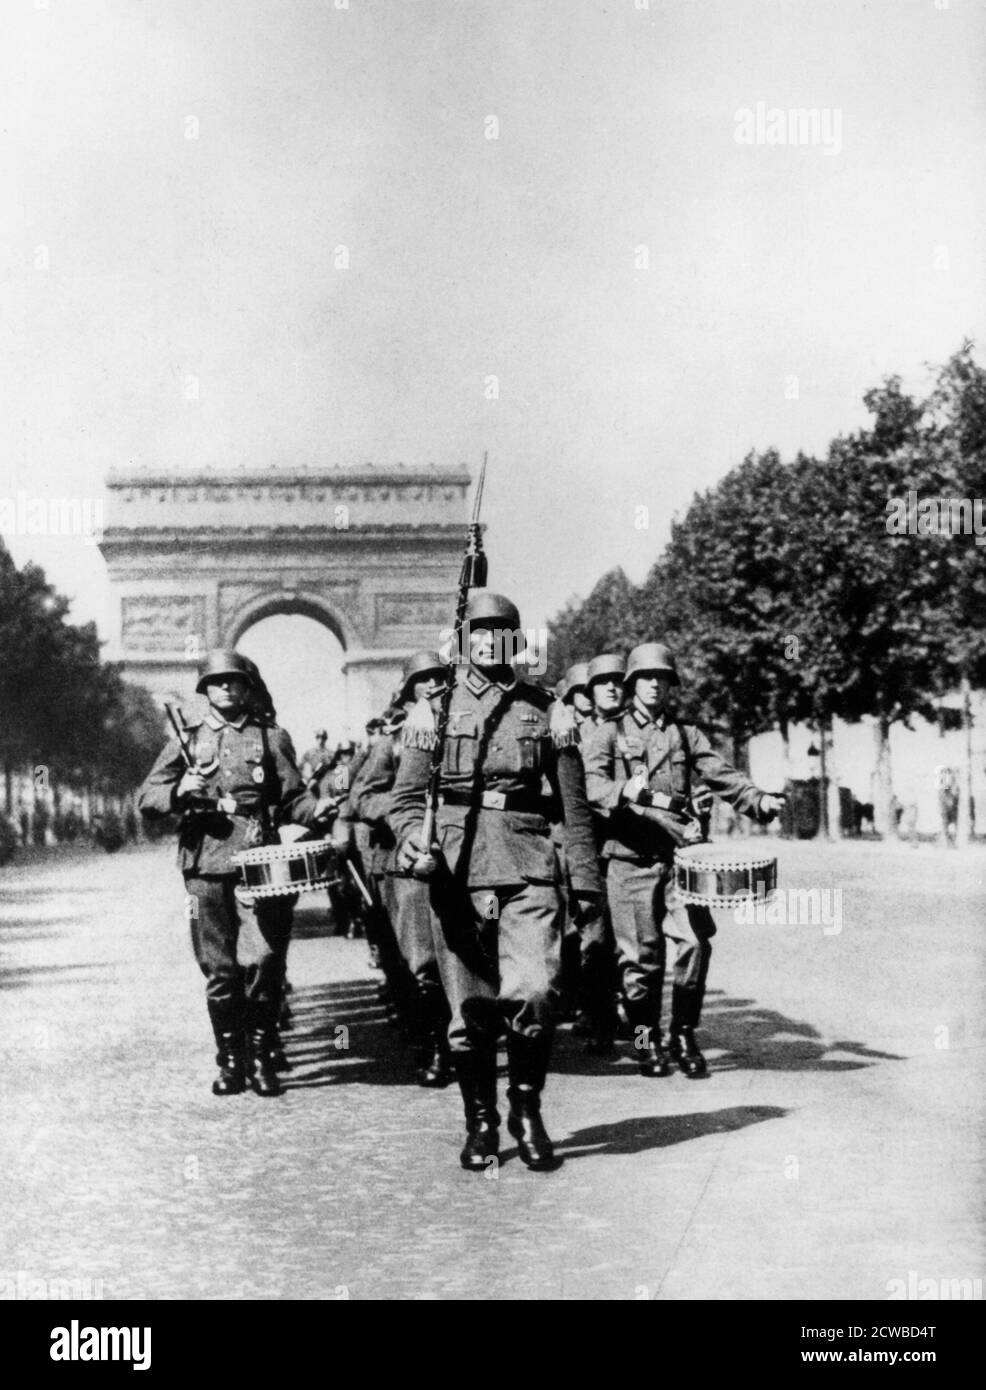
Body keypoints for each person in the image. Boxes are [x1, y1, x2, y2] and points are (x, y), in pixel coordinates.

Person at [389, 591, 602, 1171]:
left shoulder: (549, 709)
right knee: (472, 1012)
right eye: (476, 633)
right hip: (455, 871)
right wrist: (413, 841)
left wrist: (585, 887)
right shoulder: (429, 711)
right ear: (463, 641)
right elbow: (404, 801)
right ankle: (480, 1120)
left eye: (499, 633)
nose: (487, 642)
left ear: (515, 640)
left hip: (529, 865)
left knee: (535, 991)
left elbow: (575, 809)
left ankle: (526, 1108)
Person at [583, 642, 784, 1079]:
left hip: (681, 862)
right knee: (641, 960)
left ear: (671, 686)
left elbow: (721, 774)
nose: (655, 684)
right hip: (629, 861)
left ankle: (683, 1034)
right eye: (646, 677)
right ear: (632, 683)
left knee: (694, 945)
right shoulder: (609, 734)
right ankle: (644, 1041)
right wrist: (625, 793)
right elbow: (592, 785)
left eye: (663, 678)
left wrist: (758, 799)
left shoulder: (685, 734)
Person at [137, 650, 333, 1098]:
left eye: (234, 681)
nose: (226, 688)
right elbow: (146, 796)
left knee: (263, 960)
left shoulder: (270, 738)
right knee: (220, 970)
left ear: (247, 687)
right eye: (217, 682)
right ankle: (231, 1061)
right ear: (204, 690)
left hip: (259, 862)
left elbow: (293, 797)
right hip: (204, 862)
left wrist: (315, 810)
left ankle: (263, 1058)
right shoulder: (187, 739)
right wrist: (177, 790)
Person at [350, 651, 452, 1086]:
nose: (432, 686)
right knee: (422, 959)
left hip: (461, 857)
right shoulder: (390, 740)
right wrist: (399, 814)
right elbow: (361, 796)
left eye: (438, 678)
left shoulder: (466, 728)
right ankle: (434, 1047)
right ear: (408, 689)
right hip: (406, 862)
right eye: (422, 681)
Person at [585, 652, 626, 726]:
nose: (611, 688)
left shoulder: (635, 727)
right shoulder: (583, 728)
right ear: (592, 691)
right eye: (603, 682)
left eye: (617, 681)